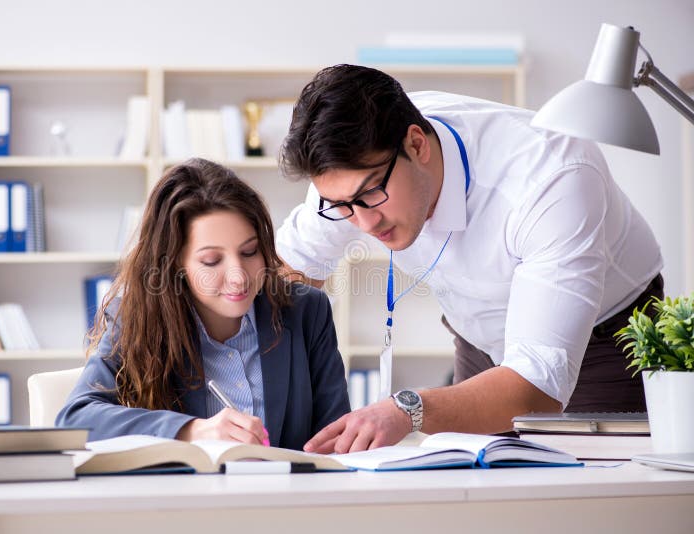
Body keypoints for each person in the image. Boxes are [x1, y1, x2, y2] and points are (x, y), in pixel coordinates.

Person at [275, 64, 664, 454]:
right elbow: (288, 274)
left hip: (606, 342)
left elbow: (538, 387)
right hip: (478, 339)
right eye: (342, 206)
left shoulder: (552, 178)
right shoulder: (347, 178)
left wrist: (406, 408)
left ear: (416, 145)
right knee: (474, 492)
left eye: (371, 195)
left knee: (592, 499)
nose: (364, 222)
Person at [57, 159, 350, 449]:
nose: (238, 278)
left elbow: (334, 440)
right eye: (211, 261)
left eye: (249, 251)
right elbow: (74, 419)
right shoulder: (138, 318)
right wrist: (191, 431)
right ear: (175, 265)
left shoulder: (307, 311)